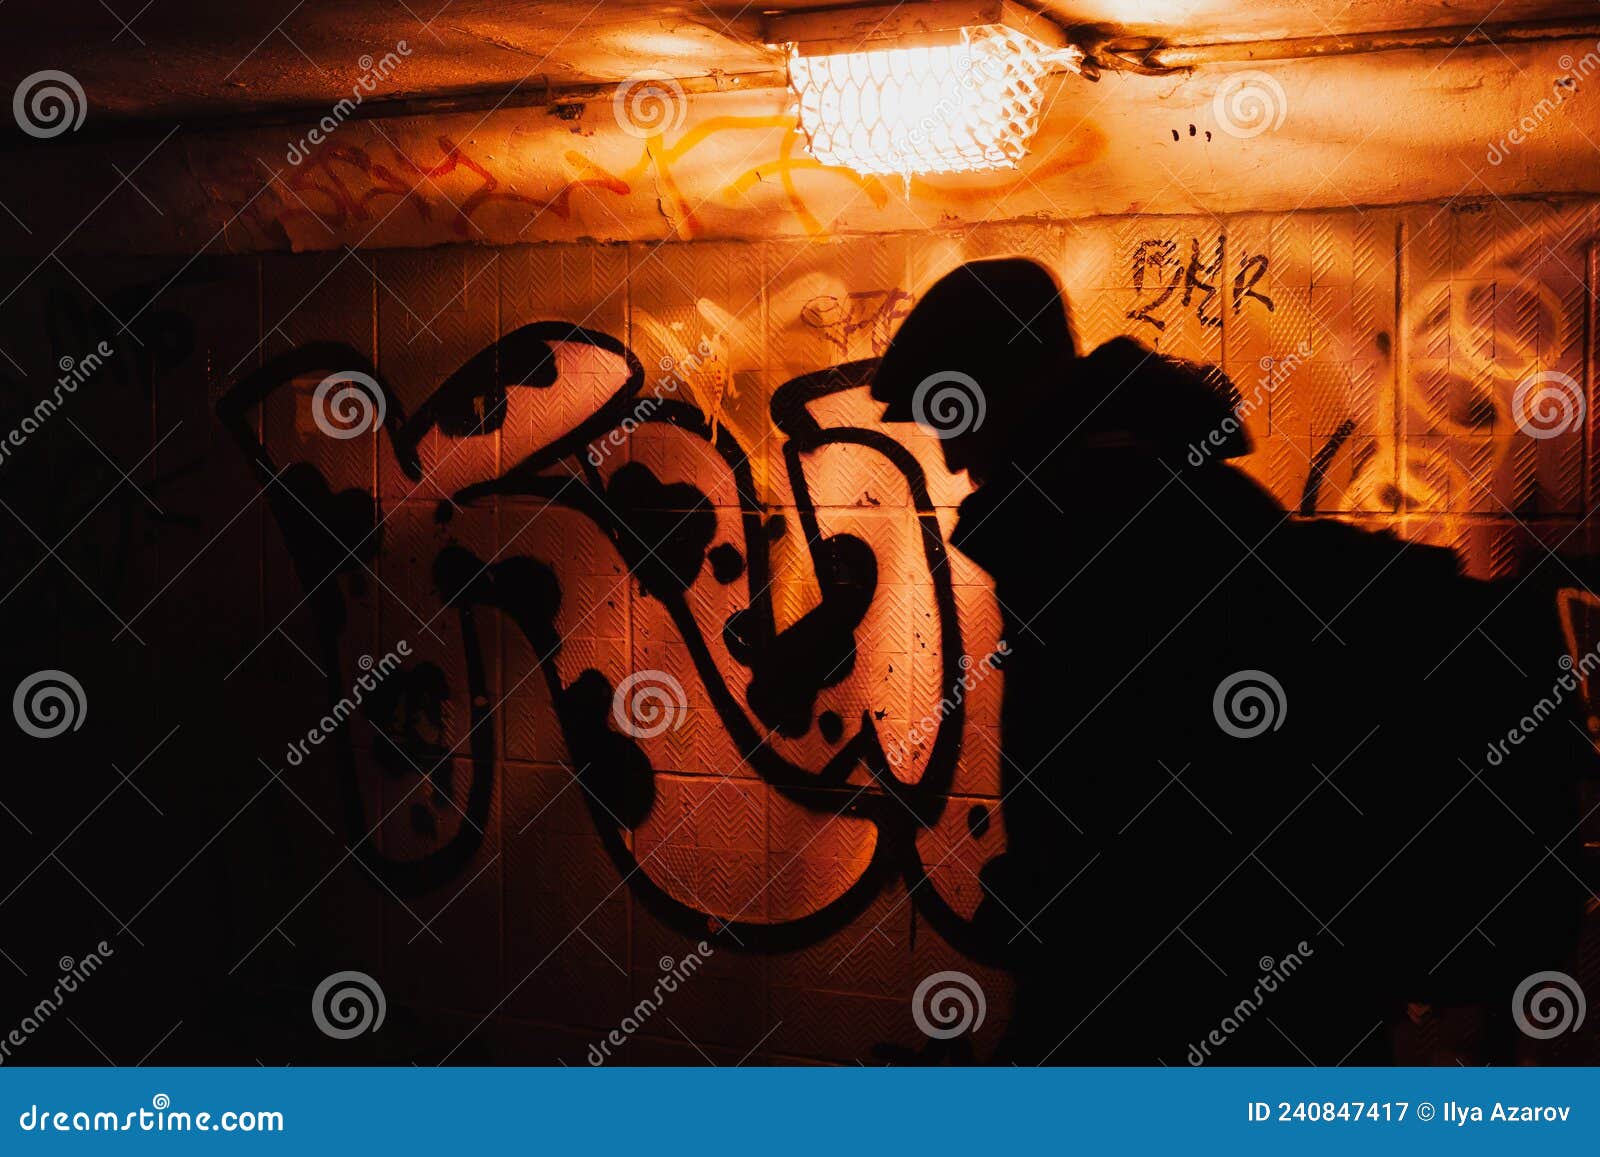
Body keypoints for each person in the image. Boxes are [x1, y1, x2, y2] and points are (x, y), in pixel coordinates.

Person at [871, 258, 1587, 1064]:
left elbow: (1134, 834)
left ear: (1004, 388)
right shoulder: (1168, 500)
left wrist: (1051, 922)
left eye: (950, 416)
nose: (954, 457)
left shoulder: (1091, 534)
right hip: (1283, 1005)